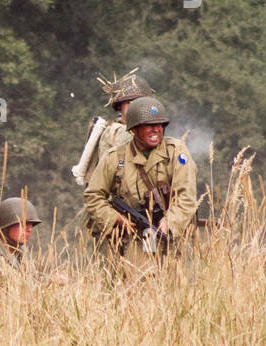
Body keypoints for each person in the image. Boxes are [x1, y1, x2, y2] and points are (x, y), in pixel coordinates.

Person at [83, 96, 199, 254]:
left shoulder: (176, 152)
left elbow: (187, 195)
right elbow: (93, 195)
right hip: (128, 241)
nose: (156, 130)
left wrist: (169, 222)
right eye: (148, 125)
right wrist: (116, 219)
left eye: (159, 125)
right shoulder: (115, 157)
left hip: (169, 238)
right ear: (134, 129)